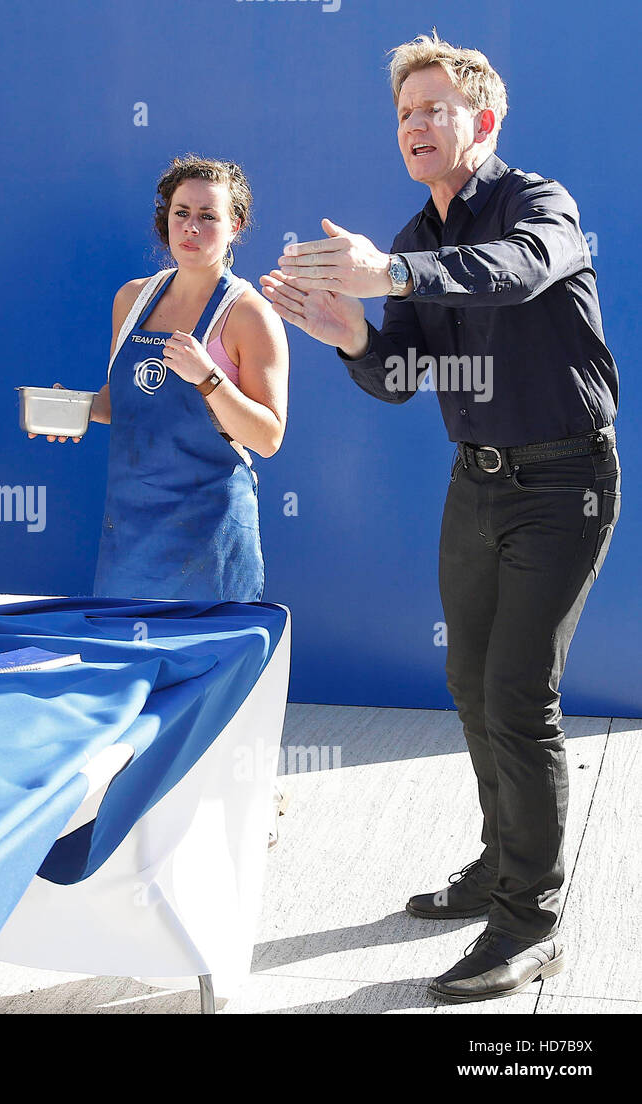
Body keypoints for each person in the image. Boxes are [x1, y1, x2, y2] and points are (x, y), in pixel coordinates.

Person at [261, 32, 619, 1003]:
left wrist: (396, 279)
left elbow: (514, 269)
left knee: (517, 694)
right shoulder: (412, 238)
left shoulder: (538, 205)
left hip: (566, 483)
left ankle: (528, 919)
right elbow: (400, 378)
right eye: (403, 114)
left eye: (434, 109)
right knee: (469, 679)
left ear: (483, 121)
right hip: (477, 484)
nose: (414, 125)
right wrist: (348, 333)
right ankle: (498, 864)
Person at [34, 156, 288, 603]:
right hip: (130, 532)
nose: (192, 227)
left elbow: (267, 437)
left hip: (211, 538)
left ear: (235, 226)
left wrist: (209, 379)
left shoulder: (250, 315)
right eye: (181, 213)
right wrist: (75, 410)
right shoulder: (131, 299)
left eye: (208, 216)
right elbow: (122, 402)